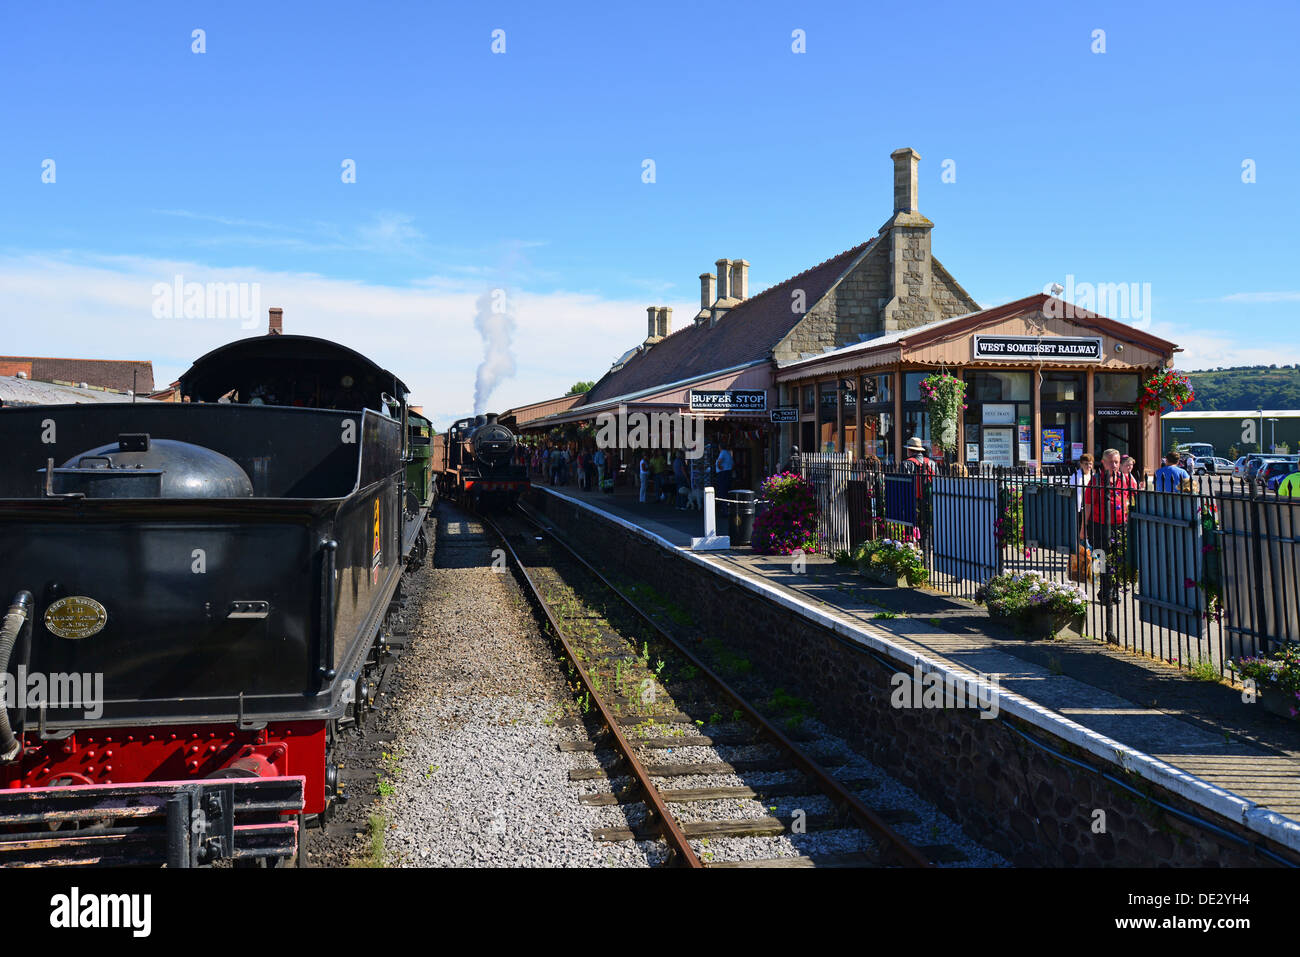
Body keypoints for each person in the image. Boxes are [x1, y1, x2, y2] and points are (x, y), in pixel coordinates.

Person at [1083, 448, 1130, 604]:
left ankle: (1115, 590)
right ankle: (1104, 591)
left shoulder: (1123, 479)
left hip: (1119, 526)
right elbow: (1088, 506)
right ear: (1103, 463)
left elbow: (1128, 499)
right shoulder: (1096, 481)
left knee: (1118, 559)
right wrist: (1083, 529)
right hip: (1099, 525)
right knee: (1101, 559)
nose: (1114, 465)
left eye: (1116, 462)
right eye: (1111, 462)